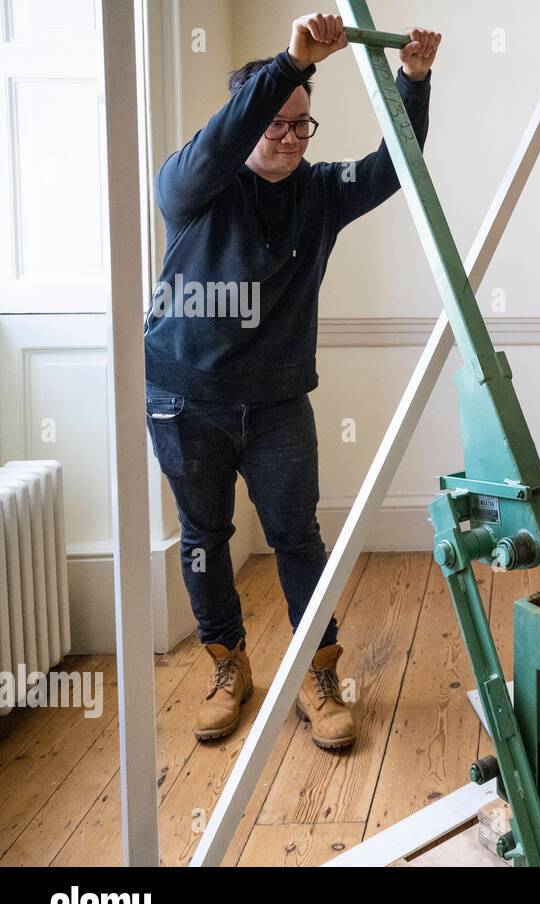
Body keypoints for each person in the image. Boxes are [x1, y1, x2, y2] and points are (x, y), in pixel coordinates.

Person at [145, 13, 440, 749]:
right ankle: (228, 665)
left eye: (302, 126)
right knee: (206, 539)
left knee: (297, 536)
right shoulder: (191, 187)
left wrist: (414, 81)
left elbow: (392, 166)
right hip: (184, 400)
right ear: (242, 124)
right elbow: (220, 144)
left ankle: (318, 671)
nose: (289, 138)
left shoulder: (320, 191)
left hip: (276, 402)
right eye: (275, 124)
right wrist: (291, 62)